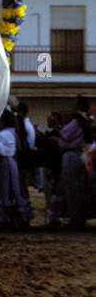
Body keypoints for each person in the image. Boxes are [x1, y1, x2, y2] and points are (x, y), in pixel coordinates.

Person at [0, 110, 31, 230]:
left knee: (6, 189)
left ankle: (8, 218)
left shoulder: (6, 133)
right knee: (8, 189)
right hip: (7, 163)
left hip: (5, 163)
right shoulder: (11, 132)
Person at [56, 97, 91, 230]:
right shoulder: (85, 120)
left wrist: (57, 126)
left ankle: (76, 219)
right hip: (81, 154)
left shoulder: (77, 120)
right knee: (79, 188)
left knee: (72, 188)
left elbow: (65, 134)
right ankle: (79, 218)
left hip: (72, 154)